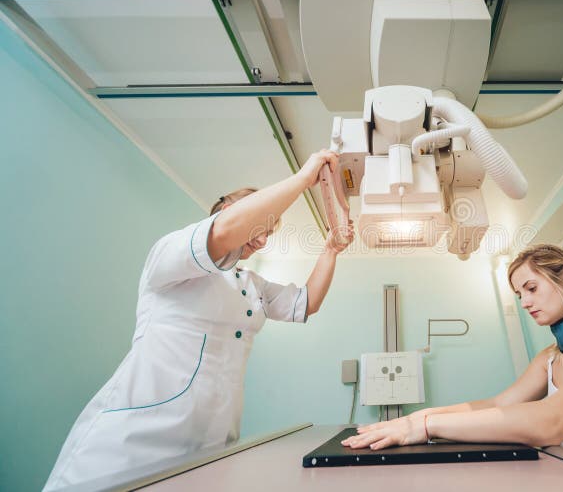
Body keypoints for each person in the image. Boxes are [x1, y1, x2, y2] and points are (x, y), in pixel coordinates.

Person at [45, 150, 354, 490]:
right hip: (128, 452)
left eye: (271, 233)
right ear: (225, 211)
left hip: (207, 453)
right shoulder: (170, 254)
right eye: (263, 226)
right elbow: (222, 235)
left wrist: (331, 249)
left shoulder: (251, 284)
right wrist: (301, 179)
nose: (264, 240)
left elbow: (306, 302)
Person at [342, 244, 563, 474]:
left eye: (532, 288)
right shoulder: (550, 357)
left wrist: (425, 428)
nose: (525, 302)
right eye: (519, 294)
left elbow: (553, 421)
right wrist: (417, 417)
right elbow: (499, 403)